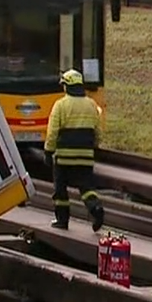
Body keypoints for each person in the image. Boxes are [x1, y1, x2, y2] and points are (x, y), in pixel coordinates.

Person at [44, 68, 105, 231]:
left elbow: (52, 131)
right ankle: (95, 208)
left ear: (66, 87)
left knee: (60, 189)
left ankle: (62, 220)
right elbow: (97, 131)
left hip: (64, 156)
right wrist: (95, 147)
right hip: (85, 155)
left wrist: (48, 151)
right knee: (86, 188)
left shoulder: (61, 105)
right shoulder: (92, 105)